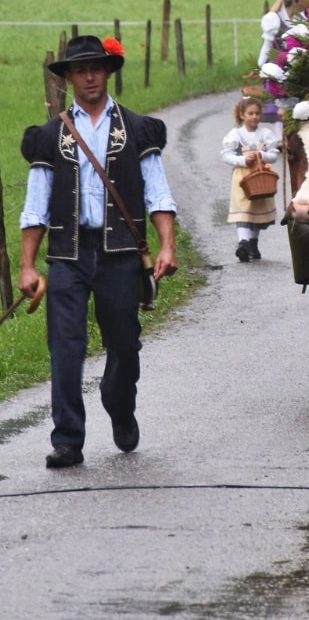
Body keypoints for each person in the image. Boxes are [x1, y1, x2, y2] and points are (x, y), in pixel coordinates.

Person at [17, 35, 178, 469]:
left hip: (121, 254)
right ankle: (68, 439)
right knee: (64, 346)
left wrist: (167, 244)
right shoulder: (49, 137)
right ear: (68, 77)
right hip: (68, 255)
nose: (89, 75)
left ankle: (119, 403)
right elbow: (35, 204)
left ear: (108, 72)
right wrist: (28, 265)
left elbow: (158, 193)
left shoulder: (136, 128)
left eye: (97, 67)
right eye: (80, 69)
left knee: (124, 345)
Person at [221, 96, 280, 263]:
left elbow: (274, 156)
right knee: (243, 210)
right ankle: (244, 243)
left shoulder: (265, 134)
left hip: (261, 176)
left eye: (257, 113)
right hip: (242, 177)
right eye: (250, 113)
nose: (254, 117)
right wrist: (242, 160)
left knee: (257, 210)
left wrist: (262, 155)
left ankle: (253, 244)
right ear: (242, 115)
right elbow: (226, 155)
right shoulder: (236, 134)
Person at [258, 0, 304, 69]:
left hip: (293, 67)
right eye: (301, 1)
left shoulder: (299, 19)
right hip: (274, 65)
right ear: (294, 2)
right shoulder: (276, 18)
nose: (302, 4)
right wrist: (260, 65)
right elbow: (267, 44)